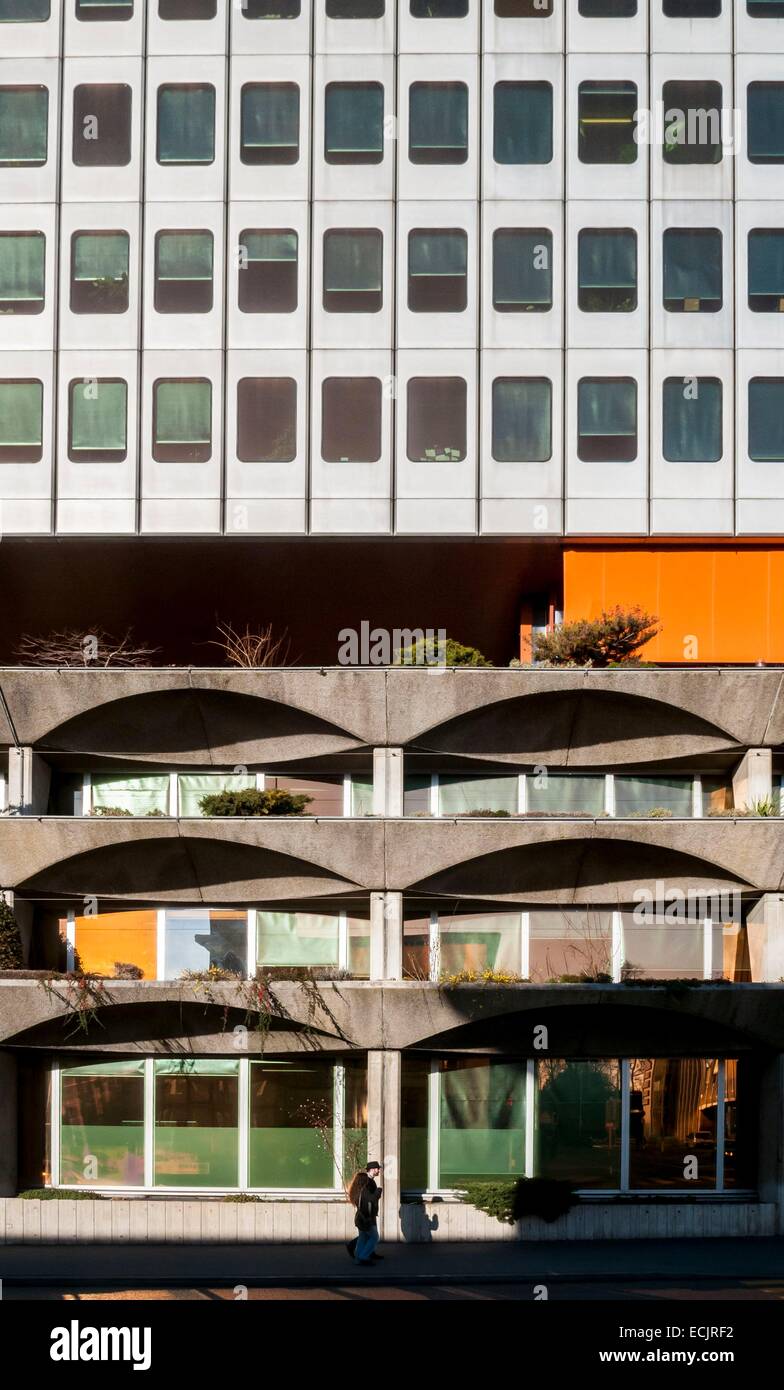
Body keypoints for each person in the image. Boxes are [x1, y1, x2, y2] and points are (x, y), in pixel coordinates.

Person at [346, 1161, 383, 1265]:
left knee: (363, 1237)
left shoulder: (362, 1185)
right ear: (371, 1169)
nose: (379, 1170)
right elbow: (371, 1199)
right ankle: (364, 1256)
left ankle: (359, 1258)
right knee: (374, 1237)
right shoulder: (366, 1184)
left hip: (362, 1216)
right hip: (366, 1216)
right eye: (377, 1168)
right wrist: (379, 1191)